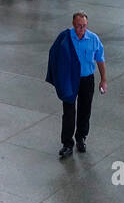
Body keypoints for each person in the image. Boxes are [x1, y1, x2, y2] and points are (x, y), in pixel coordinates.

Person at [45, 12, 107, 159]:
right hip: (70, 80)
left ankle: (81, 138)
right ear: (73, 24)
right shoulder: (65, 38)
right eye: (79, 26)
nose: (81, 29)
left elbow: (100, 59)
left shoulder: (93, 39)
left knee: (85, 110)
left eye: (84, 26)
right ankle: (67, 144)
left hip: (87, 80)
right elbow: (54, 55)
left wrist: (103, 79)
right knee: (68, 112)